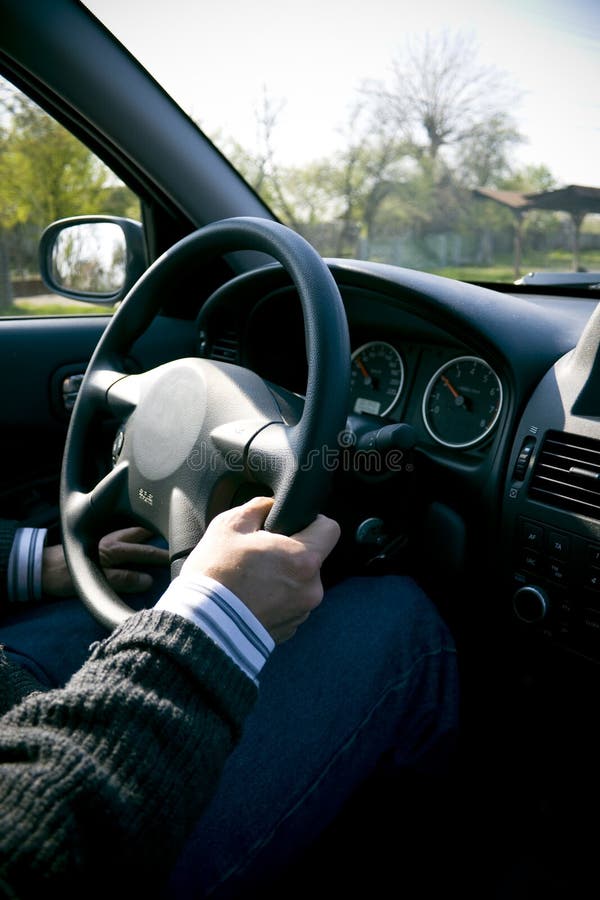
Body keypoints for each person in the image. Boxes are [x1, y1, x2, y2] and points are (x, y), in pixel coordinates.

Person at [0, 497, 459, 897]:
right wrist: (212, 627)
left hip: (13, 670)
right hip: (106, 836)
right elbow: (40, 844)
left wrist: (32, 561)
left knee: (165, 550)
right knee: (396, 617)